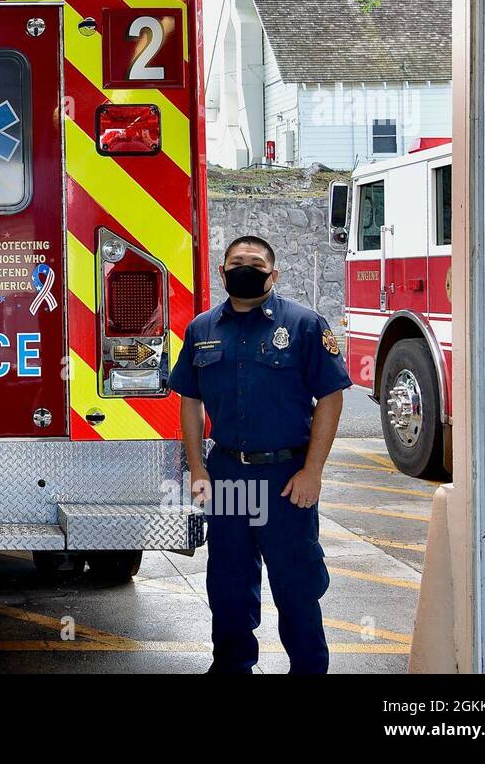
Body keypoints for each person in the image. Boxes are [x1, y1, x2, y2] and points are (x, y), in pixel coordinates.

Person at [169, 235, 351, 674]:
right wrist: (197, 467)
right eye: (236, 262)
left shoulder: (306, 325)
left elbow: (330, 397)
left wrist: (313, 471)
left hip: (287, 477)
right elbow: (189, 402)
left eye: (255, 263)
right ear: (222, 271)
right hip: (228, 473)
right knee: (229, 583)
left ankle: (309, 669)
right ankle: (231, 666)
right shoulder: (202, 329)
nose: (244, 268)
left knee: (296, 584)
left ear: (274, 273)